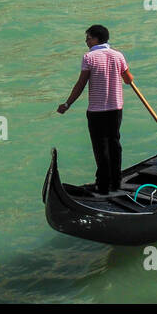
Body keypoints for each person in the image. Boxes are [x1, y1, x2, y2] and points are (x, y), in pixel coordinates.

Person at [58, 24, 133, 196]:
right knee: (114, 143)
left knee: (101, 148)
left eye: (88, 38)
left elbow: (81, 84)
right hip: (115, 109)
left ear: (97, 39)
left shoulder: (89, 57)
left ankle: (103, 185)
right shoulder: (118, 55)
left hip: (97, 111)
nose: (86, 41)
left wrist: (67, 104)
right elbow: (128, 79)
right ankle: (116, 182)